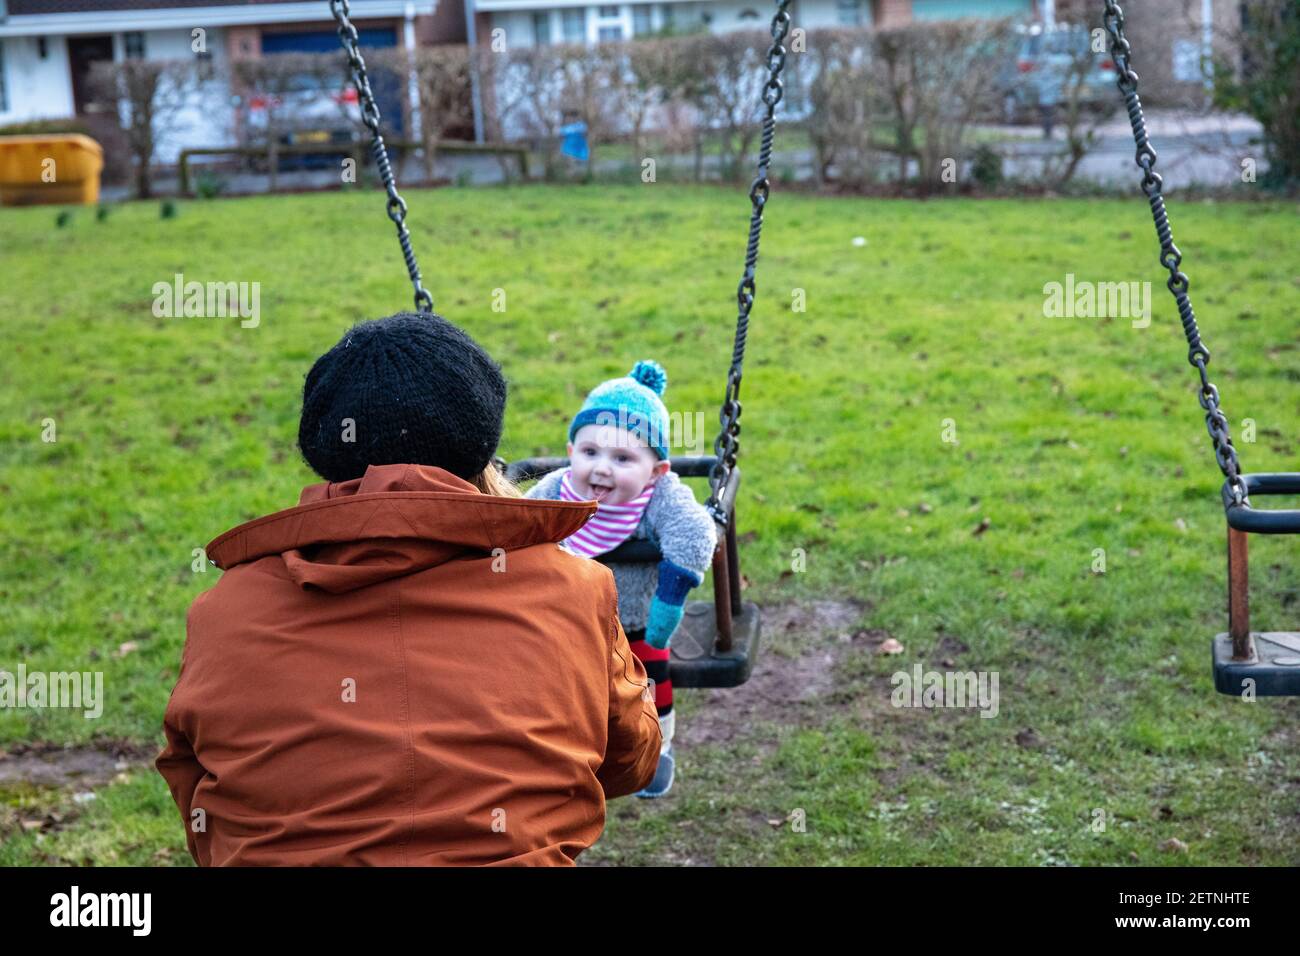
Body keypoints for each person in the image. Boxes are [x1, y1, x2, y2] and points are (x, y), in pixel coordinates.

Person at [155, 312, 661, 865]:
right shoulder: (572, 589)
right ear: (481, 445)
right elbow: (629, 759)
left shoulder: (226, 611)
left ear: (324, 449)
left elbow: (194, 785)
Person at [525, 361, 717, 797]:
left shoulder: (662, 497)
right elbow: (520, 526)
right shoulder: (557, 489)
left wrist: (667, 604)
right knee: (567, 683)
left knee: (648, 682)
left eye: (623, 458)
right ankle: (575, 751)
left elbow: (696, 532)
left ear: (656, 470)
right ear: (571, 451)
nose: (602, 469)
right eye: (590, 452)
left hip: (638, 620)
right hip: (570, 616)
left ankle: (659, 748)